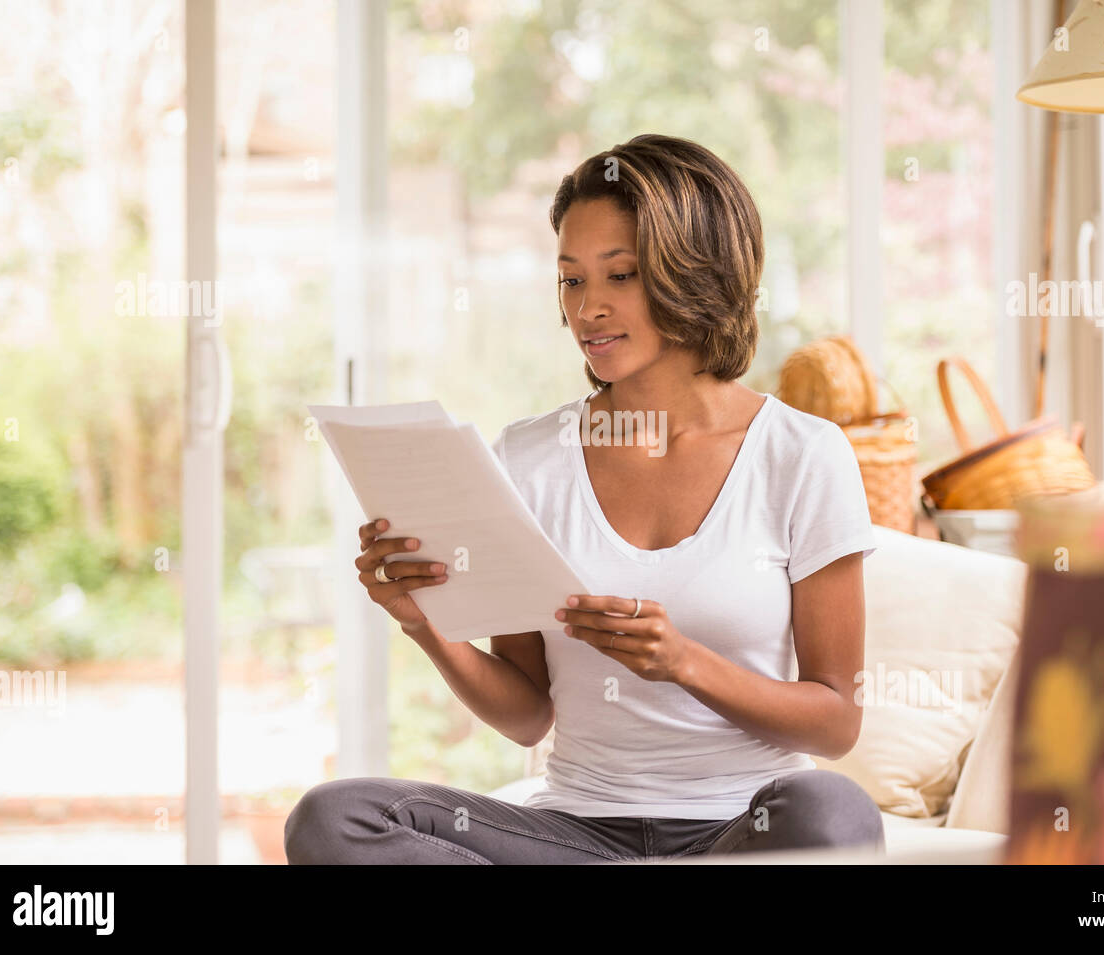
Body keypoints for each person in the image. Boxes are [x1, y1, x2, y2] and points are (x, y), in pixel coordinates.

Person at [285, 134, 883, 864]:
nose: (589, 308)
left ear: (696, 273)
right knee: (336, 817)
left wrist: (683, 661)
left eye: (620, 275)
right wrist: (425, 626)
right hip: (574, 834)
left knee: (833, 810)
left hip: (740, 834)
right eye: (571, 281)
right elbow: (527, 712)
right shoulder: (532, 457)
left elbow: (835, 721)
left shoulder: (802, 454)